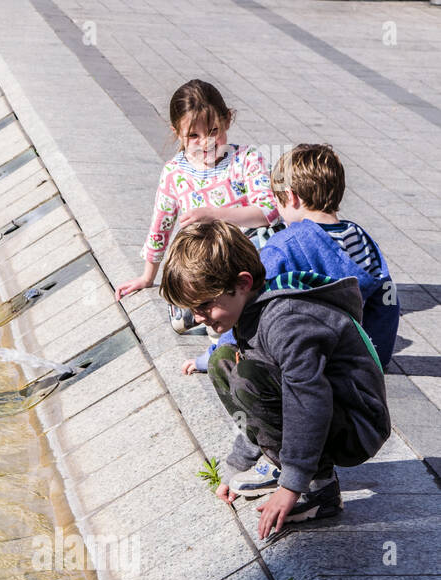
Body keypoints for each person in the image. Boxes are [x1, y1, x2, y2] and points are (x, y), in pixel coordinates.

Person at [160, 220, 390, 540]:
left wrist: (292, 485)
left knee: (249, 374)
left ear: (242, 283)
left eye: (203, 305)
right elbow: (259, 406)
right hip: (327, 412)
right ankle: (281, 463)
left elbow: (307, 399)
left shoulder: (284, 321)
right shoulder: (250, 314)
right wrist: (238, 463)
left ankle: (319, 489)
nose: (197, 318)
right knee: (222, 363)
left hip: (357, 424)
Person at [179, 143, 400, 374]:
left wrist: (212, 356)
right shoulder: (362, 239)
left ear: (290, 197)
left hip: (301, 356)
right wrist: (376, 358)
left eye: (278, 201)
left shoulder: (285, 245)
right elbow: (387, 300)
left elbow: (246, 301)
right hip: (350, 354)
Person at [114, 79, 281, 335]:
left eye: (213, 131)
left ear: (227, 120)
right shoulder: (174, 172)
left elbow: (268, 213)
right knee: (184, 300)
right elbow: (161, 226)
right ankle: (204, 311)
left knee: (267, 241)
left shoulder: (246, 159)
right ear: (177, 133)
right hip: (202, 262)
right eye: (193, 135)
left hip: (243, 256)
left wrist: (215, 215)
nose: (206, 143)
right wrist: (147, 277)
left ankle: (232, 314)